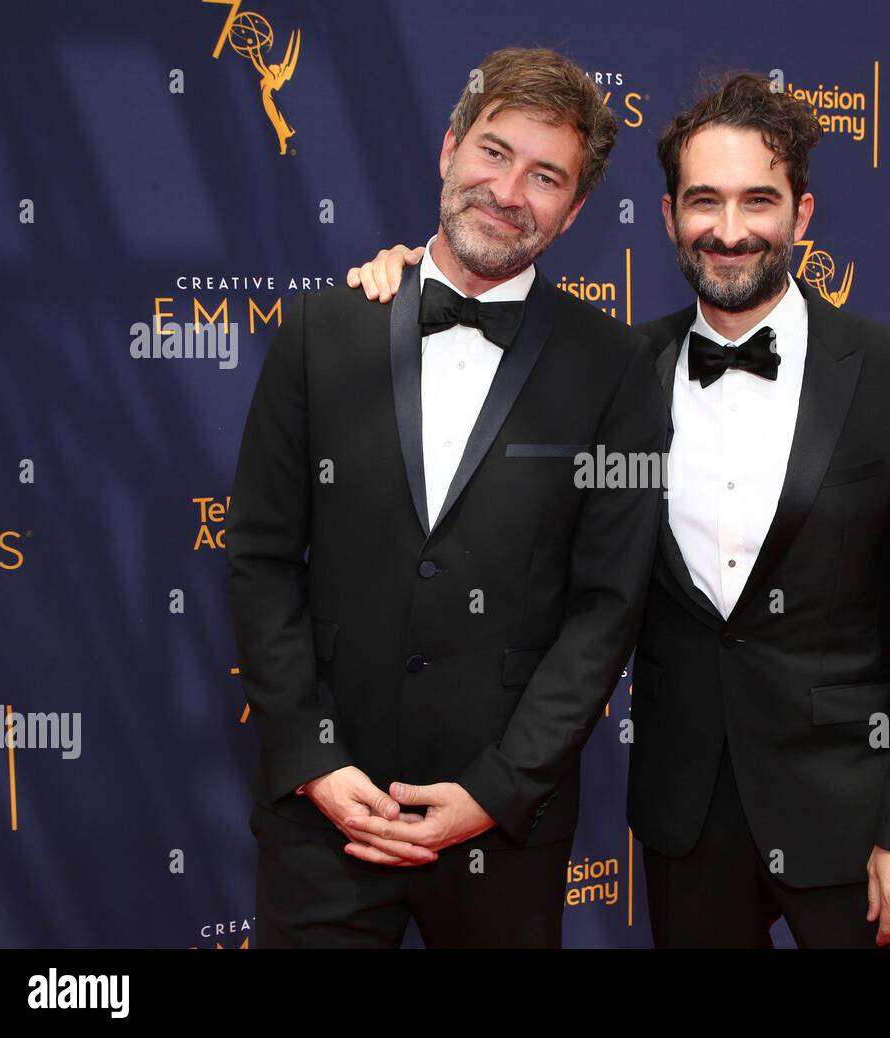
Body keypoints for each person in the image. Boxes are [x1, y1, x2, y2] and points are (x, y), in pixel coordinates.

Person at [347, 72, 890, 949]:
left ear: (801, 214)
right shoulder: (617, 370)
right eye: (703, 202)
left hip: (854, 808)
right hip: (686, 820)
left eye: (758, 201)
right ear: (667, 217)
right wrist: (406, 278)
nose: (728, 231)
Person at [227, 46, 665, 948]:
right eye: (494, 153)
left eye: (547, 176)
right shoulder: (322, 330)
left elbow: (606, 609)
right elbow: (262, 560)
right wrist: (313, 760)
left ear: (576, 210)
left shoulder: (615, 368)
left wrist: (498, 788)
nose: (509, 191)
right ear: (448, 149)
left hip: (505, 829)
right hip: (324, 817)